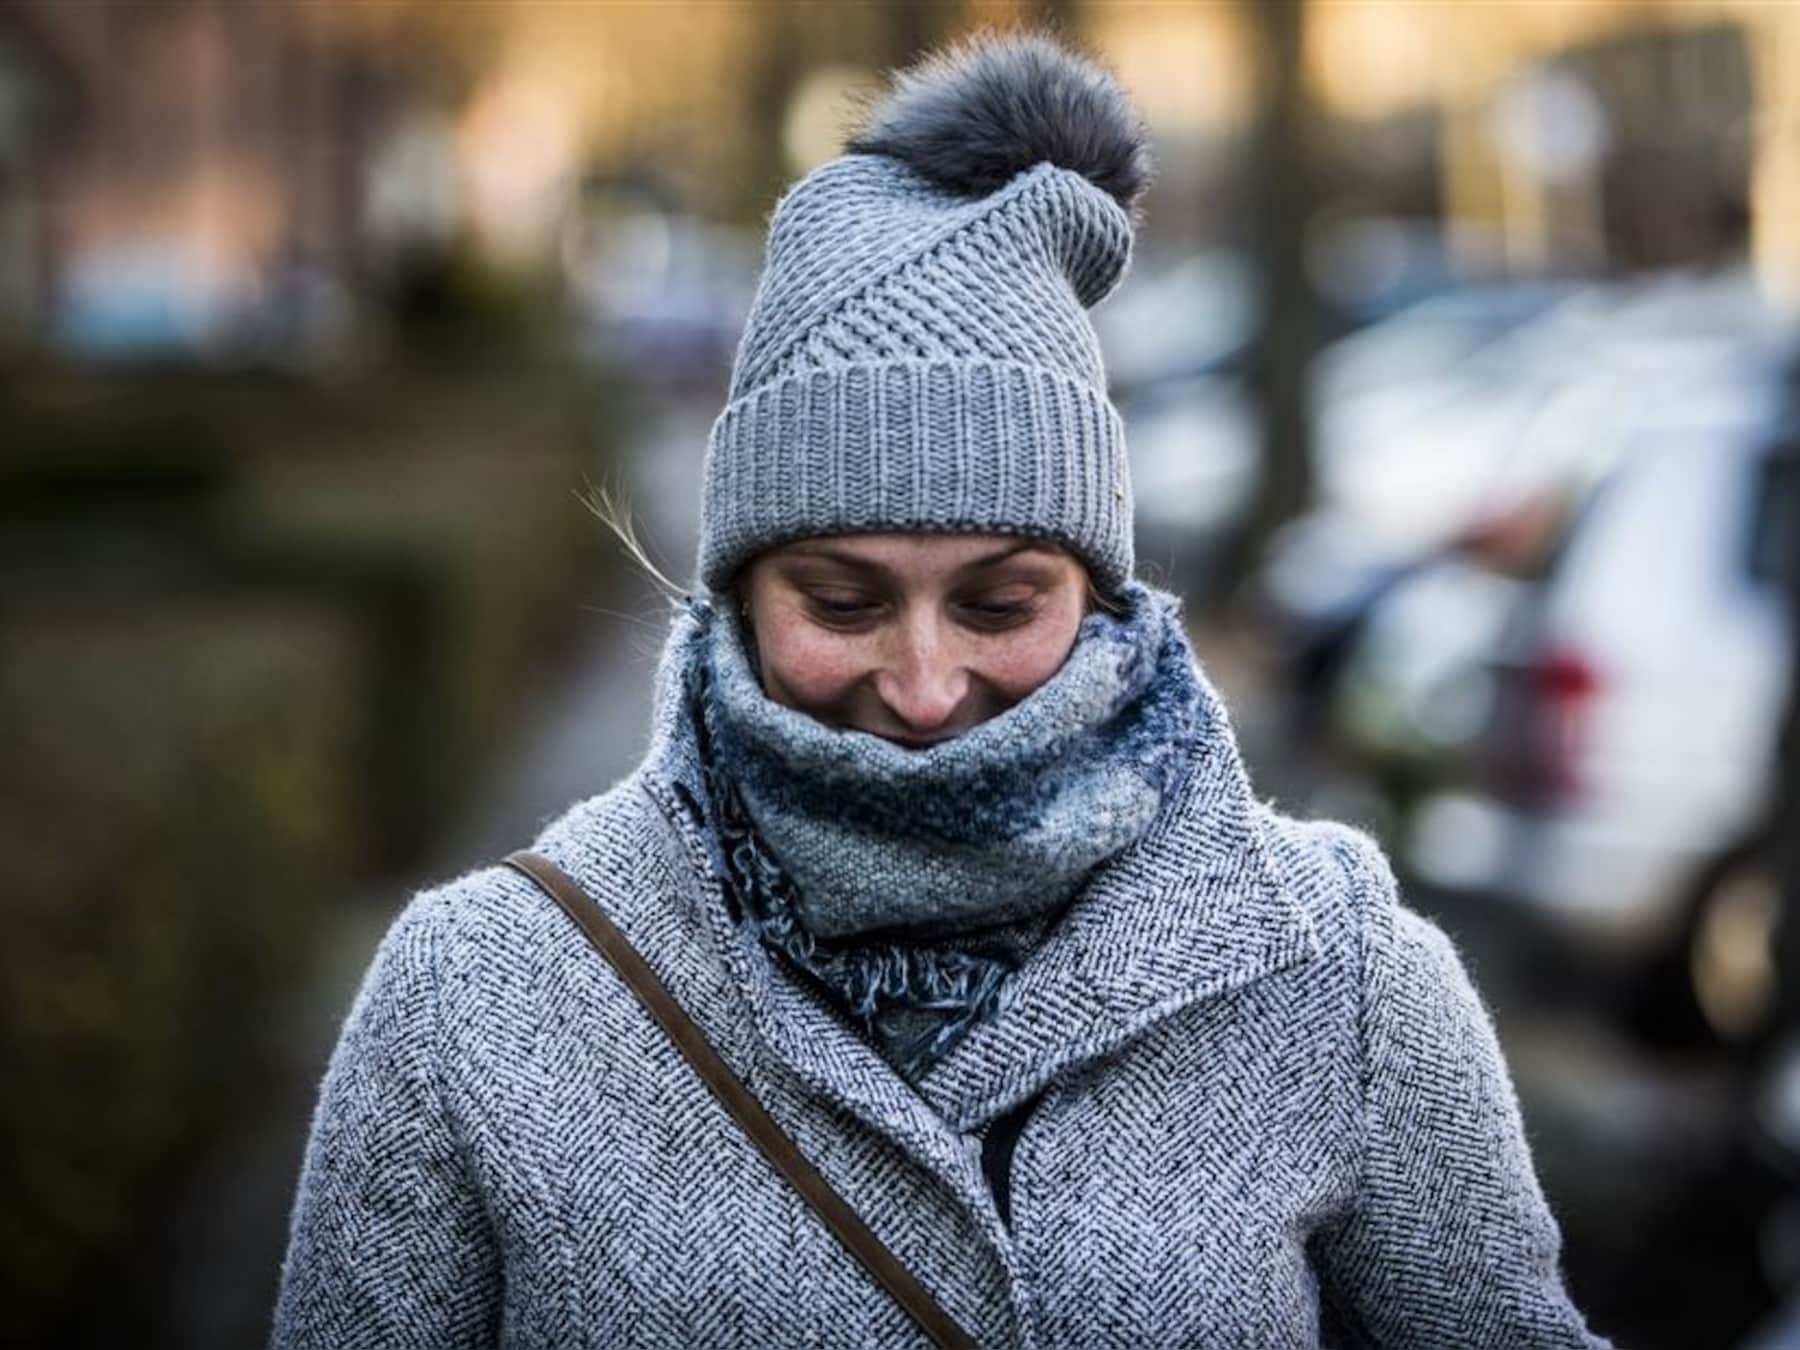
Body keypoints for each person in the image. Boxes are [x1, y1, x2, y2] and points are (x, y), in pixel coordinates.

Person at [270, 30, 1614, 1349]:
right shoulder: (478, 994)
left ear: (1099, 592)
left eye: (999, 602)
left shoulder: (1343, 975)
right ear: (738, 591)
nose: (923, 686)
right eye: (843, 601)